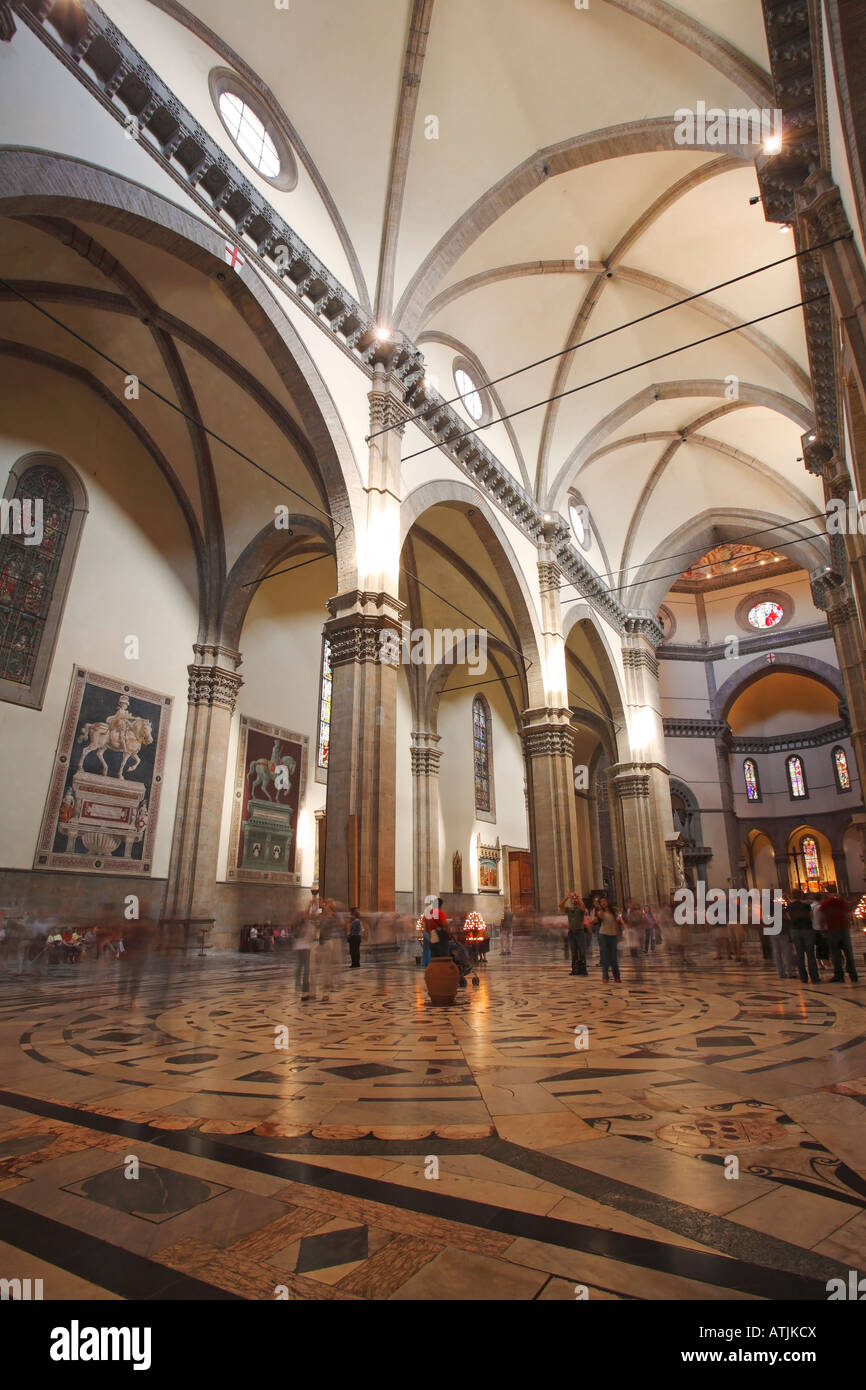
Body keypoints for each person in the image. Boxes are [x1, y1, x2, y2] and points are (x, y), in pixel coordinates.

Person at [816, 892, 859, 983]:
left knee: (836, 954)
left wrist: (822, 931)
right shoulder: (840, 902)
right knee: (848, 953)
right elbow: (849, 908)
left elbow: (821, 918)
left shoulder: (824, 905)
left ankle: (839, 975)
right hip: (844, 929)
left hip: (832, 930)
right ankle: (853, 974)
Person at [787, 894, 820, 985]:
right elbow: (811, 916)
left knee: (799, 954)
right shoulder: (806, 905)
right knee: (810, 955)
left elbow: (789, 917)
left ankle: (803, 978)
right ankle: (814, 978)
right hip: (807, 929)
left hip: (795, 930)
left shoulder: (790, 906)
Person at [593, 895, 621, 983]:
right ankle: (605, 976)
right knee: (605, 956)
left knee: (613, 957)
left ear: (608, 901)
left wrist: (619, 934)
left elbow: (617, 923)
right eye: (602, 902)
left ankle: (617, 976)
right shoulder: (600, 912)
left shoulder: (614, 911)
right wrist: (599, 907)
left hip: (613, 935)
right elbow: (599, 917)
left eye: (605, 901)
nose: (604, 903)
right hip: (603, 935)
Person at [559, 891, 588, 976]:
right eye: (573, 900)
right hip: (571, 932)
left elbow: (583, 907)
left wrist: (578, 898)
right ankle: (574, 969)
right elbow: (560, 905)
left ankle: (583, 969)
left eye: (575, 900)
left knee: (582, 951)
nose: (574, 901)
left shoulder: (581, 910)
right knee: (574, 952)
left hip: (580, 932)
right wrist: (567, 897)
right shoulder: (569, 910)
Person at [293, 909, 315, 999]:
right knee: (303, 969)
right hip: (302, 948)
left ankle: (303, 989)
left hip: (304, 947)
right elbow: (297, 935)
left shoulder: (308, 925)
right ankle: (302, 989)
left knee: (303, 968)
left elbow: (310, 936)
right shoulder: (300, 925)